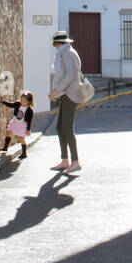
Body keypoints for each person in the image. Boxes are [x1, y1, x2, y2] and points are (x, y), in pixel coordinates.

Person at [48, 30, 82, 174]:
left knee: (66, 127)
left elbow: (70, 74)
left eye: (54, 43)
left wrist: (56, 91)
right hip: (66, 94)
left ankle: (75, 162)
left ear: (57, 43)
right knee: (59, 127)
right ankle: (65, 160)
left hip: (70, 94)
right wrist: (57, 91)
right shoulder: (65, 52)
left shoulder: (66, 53)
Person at [0, 91, 34, 160]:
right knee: (9, 133)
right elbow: (10, 105)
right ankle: (5, 147)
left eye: (24, 101)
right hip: (15, 122)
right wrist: (3, 101)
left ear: (29, 102)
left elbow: (29, 121)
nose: (22, 102)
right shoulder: (18, 104)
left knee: (21, 139)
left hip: (22, 125)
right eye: (21, 100)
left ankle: (24, 153)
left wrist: (28, 130)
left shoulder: (29, 110)